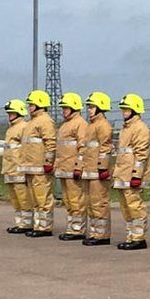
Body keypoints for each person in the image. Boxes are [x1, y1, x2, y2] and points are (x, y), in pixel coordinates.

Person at [113, 94, 150, 250]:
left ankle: (138, 238)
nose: (123, 112)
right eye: (123, 109)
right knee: (126, 207)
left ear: (135, 110)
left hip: (132, 175)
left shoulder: (140, 128)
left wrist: (137, 175)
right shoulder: (126, 128)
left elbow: (141, 154)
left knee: (135, 206)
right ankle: (131, 236)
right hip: (123, 173)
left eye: (126, 109)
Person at [19, 90, 57, 238]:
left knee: (43, 199)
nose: (29, 107)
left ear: (40, 104)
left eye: (32, 104)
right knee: (35, 199)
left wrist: (48, 162)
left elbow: (51, 143)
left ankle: (45, 227)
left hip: (40, 168)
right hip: (31, 166)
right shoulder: (31, 122)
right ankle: (38, 225)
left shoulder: (45, 121)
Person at [55, 93, 90, 241]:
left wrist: (79, 167)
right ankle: (72, 227)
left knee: (76, 201)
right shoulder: (64, 125)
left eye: (66, 107)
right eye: (63, 107)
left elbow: (83, 148)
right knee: (68, 201)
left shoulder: (80, 124)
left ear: (74, 107)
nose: (63, 110)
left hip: (73, 170)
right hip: (64, 169)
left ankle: (78, 230)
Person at [81, 92, 114, 246]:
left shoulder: (103, 126)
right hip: (89, 171)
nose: (89, 109)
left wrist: (102, 168)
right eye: (88, 107)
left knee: (99, 203)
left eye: (92, 106)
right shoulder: (91, 126)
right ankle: (95, 233)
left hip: (97, 172)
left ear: (100, 107)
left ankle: (102, 235)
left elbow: (105, 148)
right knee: (90, 204)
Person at [2, 99, 33, 234]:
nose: (9, 115)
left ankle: (27, 224)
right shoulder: (10, 129)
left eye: (12, 113)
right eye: (8, 113)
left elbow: (27, 150)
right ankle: (20, 223)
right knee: (15, 199)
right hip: (9, 169)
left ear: (19, 112)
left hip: (19, 169)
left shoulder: (24, 127)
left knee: (24, 198)